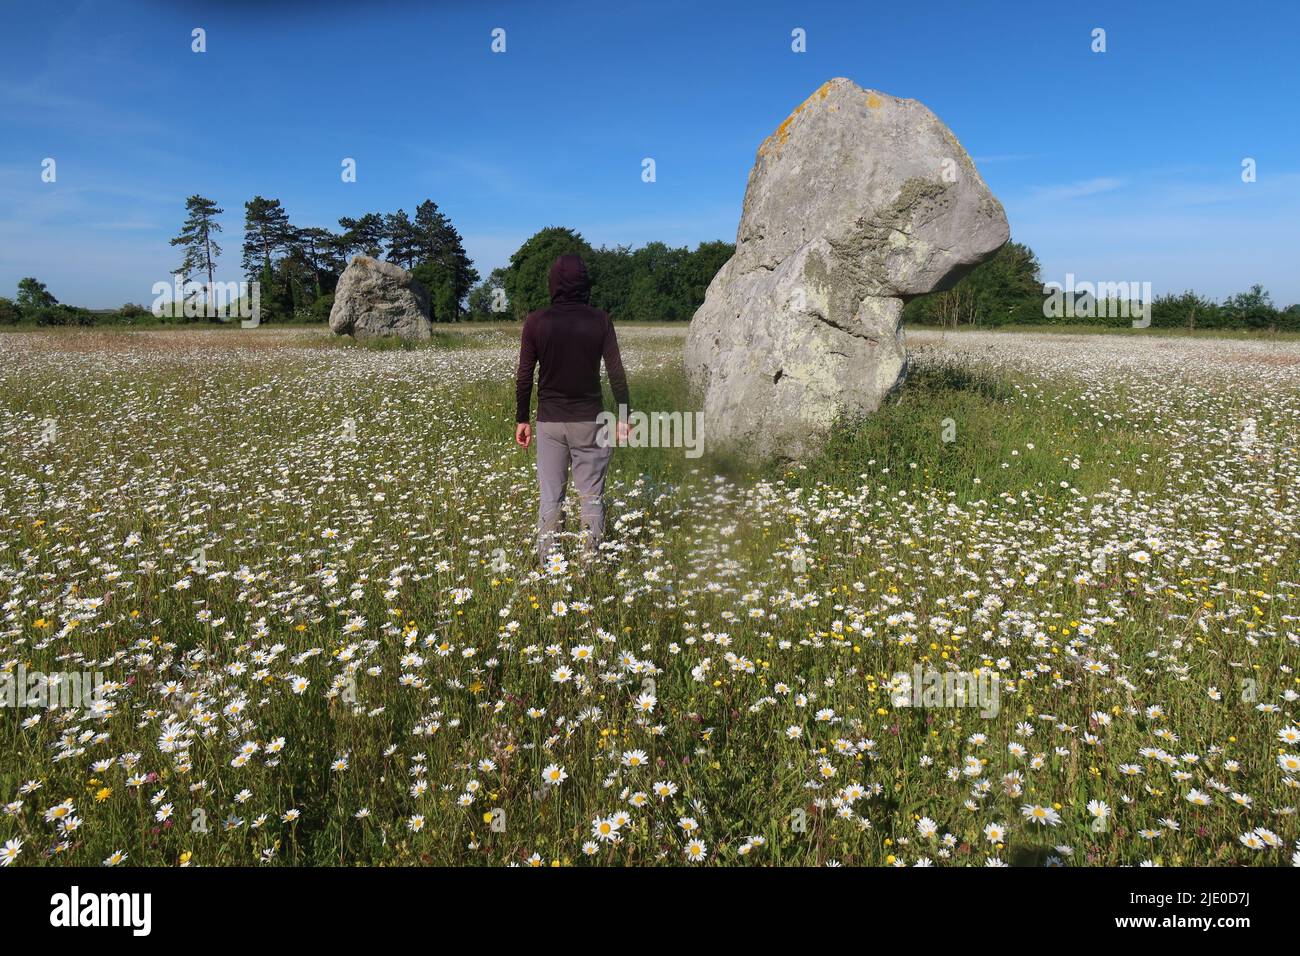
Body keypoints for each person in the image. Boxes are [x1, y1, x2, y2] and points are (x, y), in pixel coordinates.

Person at [515, 254, 630, 564]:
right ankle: (590, 565)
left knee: (550, 497)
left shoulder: (536, 322)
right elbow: (617, 374)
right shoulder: (600, 320)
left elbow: (525, 376)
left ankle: (550, 566)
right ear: (584, 283)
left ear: (553, 282)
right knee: (591, 495)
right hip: (590, 422)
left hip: (549, 422)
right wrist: (623, 417)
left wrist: (522, 419)